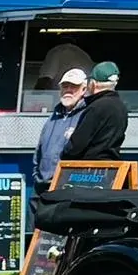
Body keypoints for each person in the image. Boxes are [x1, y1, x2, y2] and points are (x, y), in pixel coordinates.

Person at [33, 67, 87, 203]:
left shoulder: (87, 116)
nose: (68, 90)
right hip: (41, 190)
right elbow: (39, 152)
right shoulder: (53, 117)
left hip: (67, 193)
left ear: (83, 90)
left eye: (74, 86)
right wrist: (37, 177)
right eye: (65, 86)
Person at [61, 62, 128, 161]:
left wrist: (64, 154)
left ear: (93, 84)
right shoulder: (121, 107)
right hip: (111, 168)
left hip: (91, 169)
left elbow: (77, 145)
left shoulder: (96, 107)